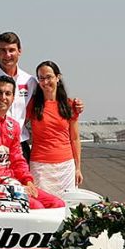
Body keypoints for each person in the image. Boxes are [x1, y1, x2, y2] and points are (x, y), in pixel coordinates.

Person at [0, 31, 84, 161]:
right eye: (3, 50)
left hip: (19, 145)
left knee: (24, 181)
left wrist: (74, 104)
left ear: (19, 51)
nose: (7, 55)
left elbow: (51, 100)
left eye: (12, 50)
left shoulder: (30, 81)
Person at [0, 75, 65, 210]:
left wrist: (27, 181)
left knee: (57, 204)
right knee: (37, 207)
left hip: (12, 183)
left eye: (8, 94)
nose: (3, 97)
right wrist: (16, 183)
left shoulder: (13, 125)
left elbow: (18, 159)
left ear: (13, 98)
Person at [27, 61, 82, 198]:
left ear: (58, 78)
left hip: (66, 167)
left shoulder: (69, 105)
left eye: (49, 77)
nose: (45, 82)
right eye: (41, 78)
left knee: (67, 206)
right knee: (42, 206)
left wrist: (78, 168)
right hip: (40, 167)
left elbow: (74, 139)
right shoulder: (33, 105)